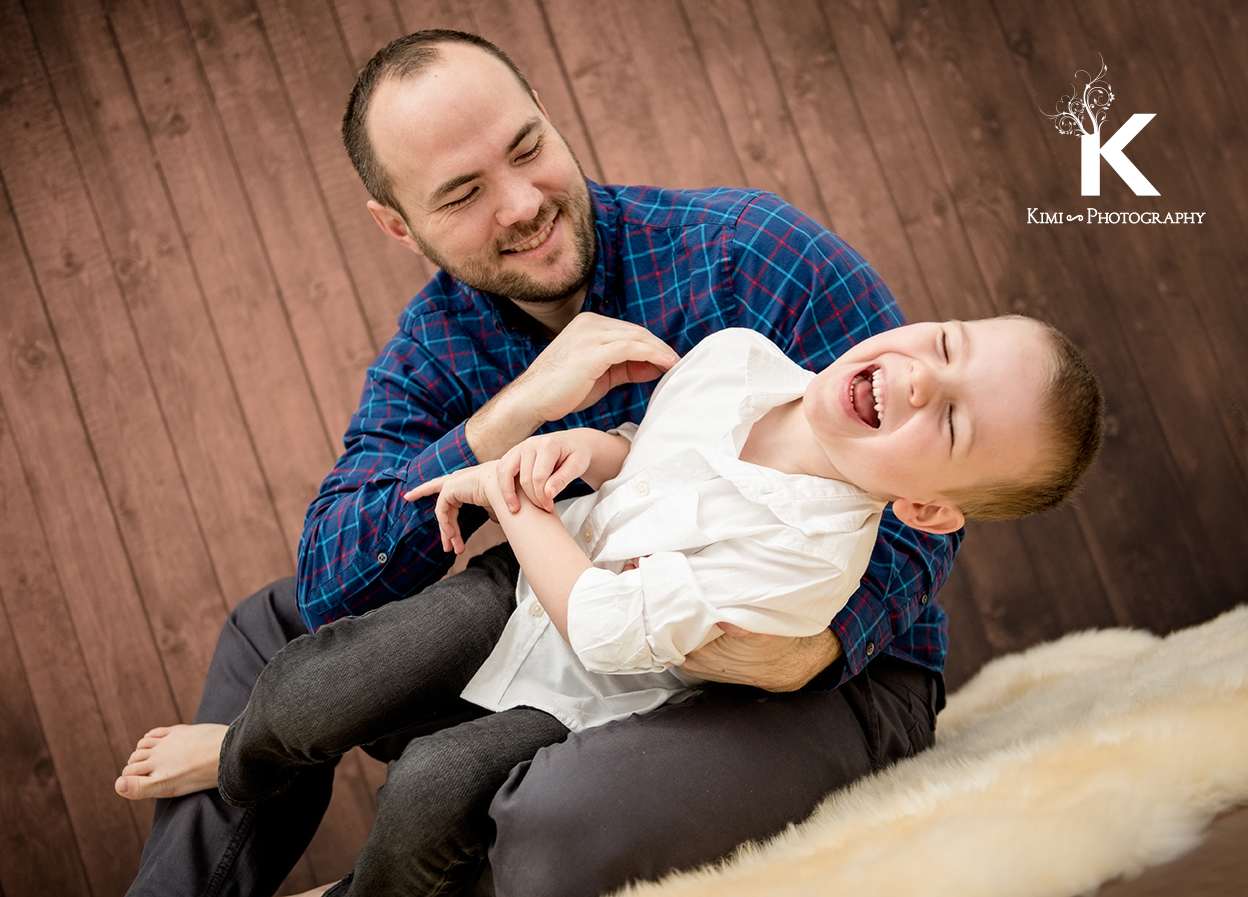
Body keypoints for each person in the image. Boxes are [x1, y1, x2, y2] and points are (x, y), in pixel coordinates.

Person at [110, 28, 1037, 897]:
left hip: (817, 679)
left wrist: (807, 650)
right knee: (277, 628)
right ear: (400, 227)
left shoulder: (749, 254)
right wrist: (508, 418)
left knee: (546, 810)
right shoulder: (438, 348)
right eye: (462, 193)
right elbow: (330, 585)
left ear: (550, 114)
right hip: (559, 627)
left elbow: (925, 516)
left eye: (526, 148)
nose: (520, 203)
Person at [206, 319, 1103, 896]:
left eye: (949, 422)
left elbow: (605, 626)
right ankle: (243, 755)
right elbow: (646, 452)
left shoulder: (810, 565)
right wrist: (581, 453)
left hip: (591, 687)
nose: (915, 382)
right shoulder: (740, 360)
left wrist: (512, 505)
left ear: (928, 510)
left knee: (430, 788)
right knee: (308, 689)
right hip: (533, 581)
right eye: (944, 347)